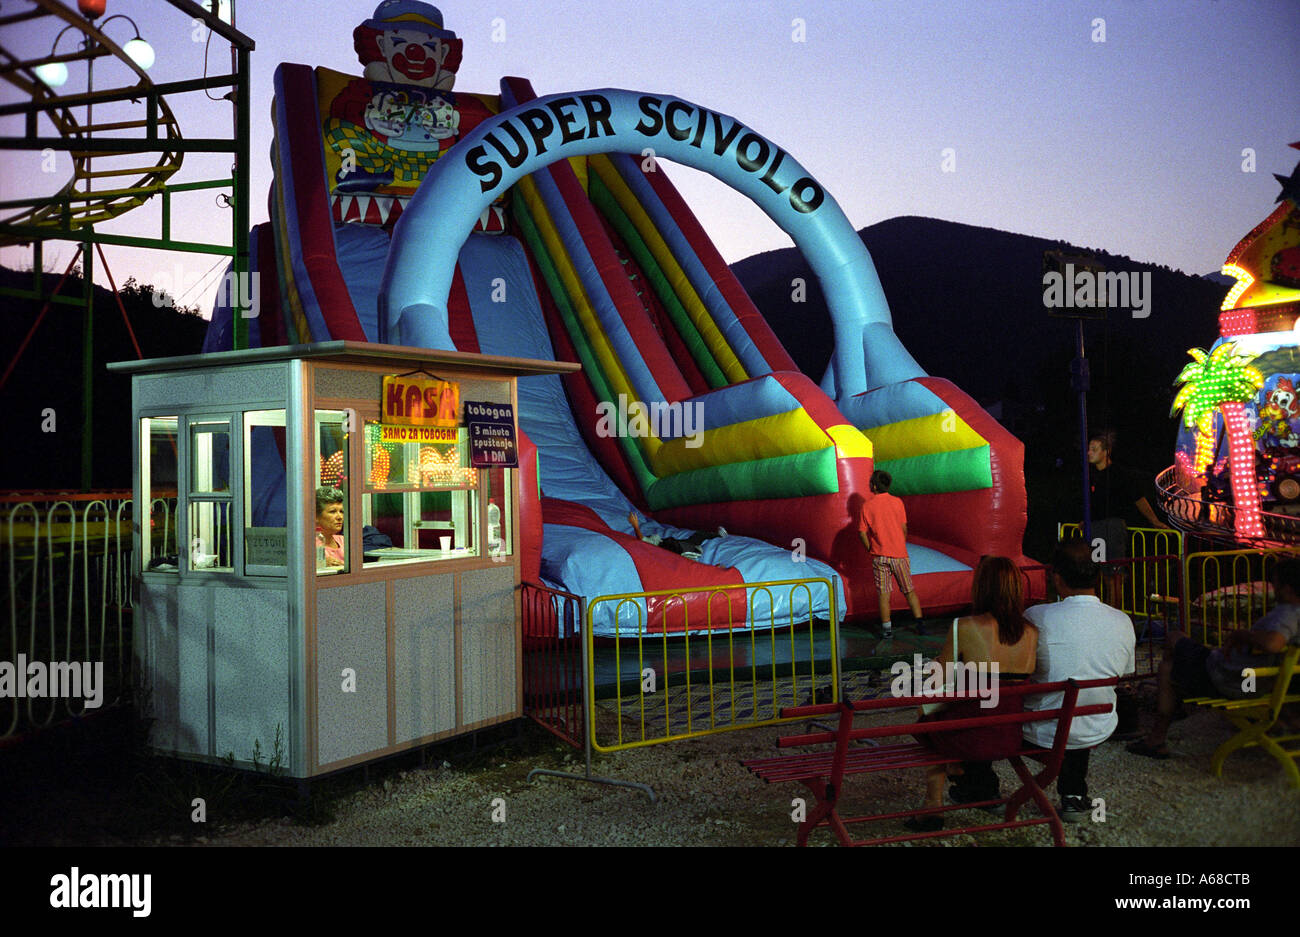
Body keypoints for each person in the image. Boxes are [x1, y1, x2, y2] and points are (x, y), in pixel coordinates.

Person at [951, 540, 1135, 822]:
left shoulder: (1038, 617)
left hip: (1043, 730)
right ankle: (1073, 794)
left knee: (990, 697)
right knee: (1078, 699)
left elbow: (1012, 669)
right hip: (1098, 724)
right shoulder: (1123, 620)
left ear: (1057, 578)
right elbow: (1124, 672)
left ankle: (981, 786)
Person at [904, 556, 1039, 832]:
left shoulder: (963, 627)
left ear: (982, 587)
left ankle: (933, 803)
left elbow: (937, 686)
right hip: (1009, 735)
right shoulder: (1031, 633)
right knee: (969, 715)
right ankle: (965, 778)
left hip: (969, 735)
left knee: (929, 718)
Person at [1127, 557, 1300, 759]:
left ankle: (1157, 737)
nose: (1273, 589)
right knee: (1178, 654)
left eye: (1275, 584)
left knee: (1170, 657)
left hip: (1232, 680)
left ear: (1287, 589)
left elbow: (1273, 643)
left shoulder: (1287, 614)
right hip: (1254, 681)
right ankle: (1170, 711)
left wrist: (1240, 634)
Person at [859, 470, 922, 635]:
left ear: (873, 485)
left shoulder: (867, 506)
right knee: (909, 590)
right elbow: (904, 528)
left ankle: (887, 630)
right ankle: (920, 625)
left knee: (883, 594)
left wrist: (870, 548)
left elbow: (861, 532)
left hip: (879, 556)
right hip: (899, 555)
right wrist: (900, 542)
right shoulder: (897, 502)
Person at [628, 511, 725, 560]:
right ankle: (688, 554)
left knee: (698, 535)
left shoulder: (660, 540)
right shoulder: (654, 544)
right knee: (671, 545)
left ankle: (718, 535)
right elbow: (641, 539)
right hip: (674, 547)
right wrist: (636, 526)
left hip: (681, 544)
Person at [316, 486, 346, 568]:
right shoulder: (309, 546)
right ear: (316, 516)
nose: (340, 517)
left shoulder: (344, 541)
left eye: (341, 511)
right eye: (333, 512)